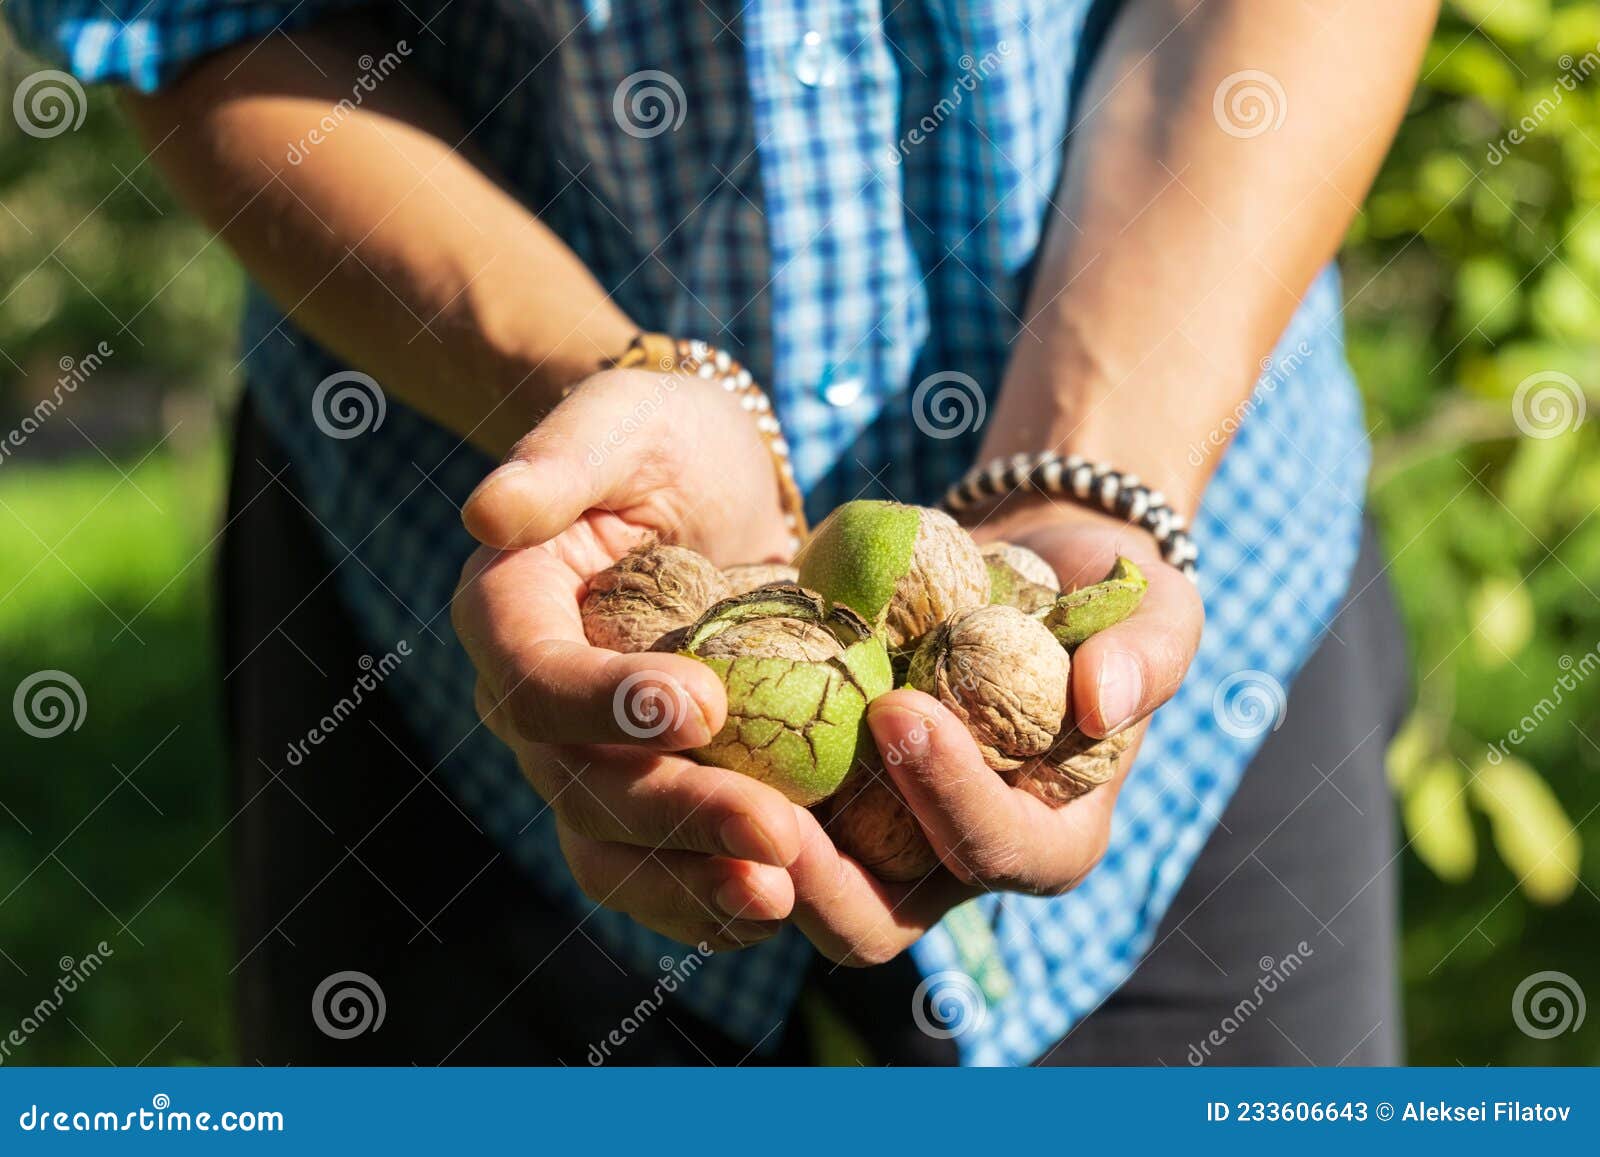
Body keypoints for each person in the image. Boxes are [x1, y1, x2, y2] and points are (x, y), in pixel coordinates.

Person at [5, 0, 1432, 1064]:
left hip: (1190, 497)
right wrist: (587, 384)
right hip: (471, 571)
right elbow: (205, 19)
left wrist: (1097, 463)